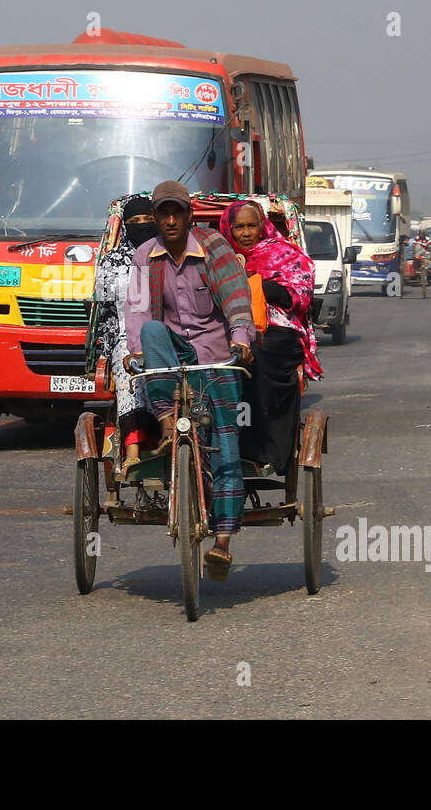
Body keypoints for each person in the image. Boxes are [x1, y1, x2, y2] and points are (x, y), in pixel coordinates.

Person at [124, 181, 254, 581]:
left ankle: (222, 544)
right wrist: (135, 352)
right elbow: (137, 309)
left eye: (176, 212)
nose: (169, 220)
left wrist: (240, 336)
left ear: (188, 216)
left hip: (217, 357)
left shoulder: (213, 246)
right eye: (162, 214)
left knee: (226, 447)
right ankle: (168, 424)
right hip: (174, 358)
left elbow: (235, 296)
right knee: (150, 333)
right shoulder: (145, 256)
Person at [219, 199, 322, 473]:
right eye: (239, 227)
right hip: (229, 331)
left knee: (257, 358)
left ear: (262, 226)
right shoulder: (219, 258)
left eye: (252, 225)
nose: (245, 232)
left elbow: (301, 296)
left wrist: (260, 286)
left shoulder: (284, 253)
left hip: (278, 333)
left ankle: (264, 451)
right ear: (229, 229)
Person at [93, 195, 158, 477]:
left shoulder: (166, 253)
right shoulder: (111, 261)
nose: (142, 226)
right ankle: (133, 451)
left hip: (166, 331)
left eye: (148, 220)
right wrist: (110, 350)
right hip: (123, 335)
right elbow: (104, 311)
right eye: (135, 223)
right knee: (128, 367)